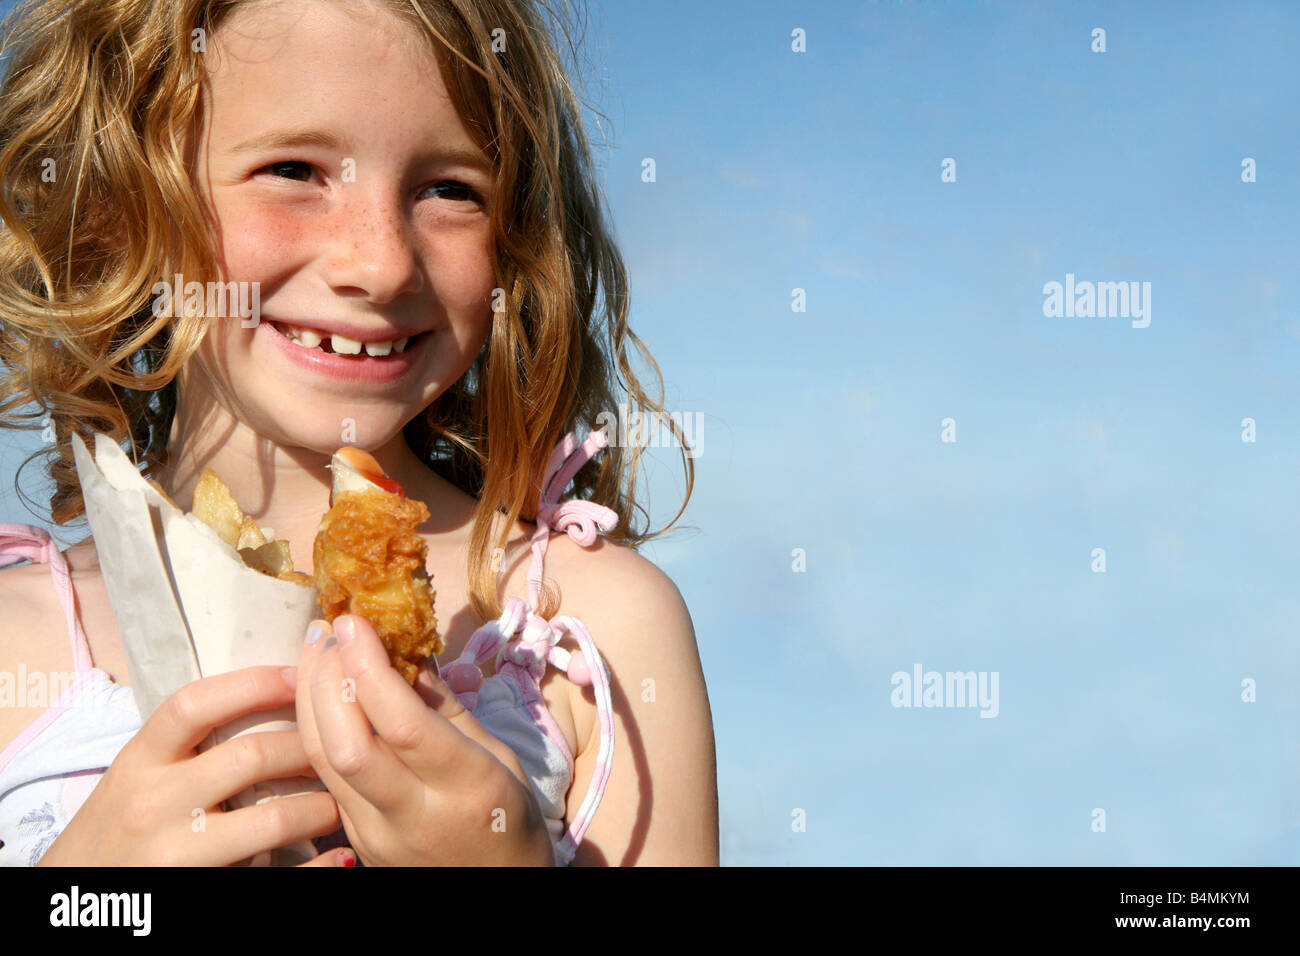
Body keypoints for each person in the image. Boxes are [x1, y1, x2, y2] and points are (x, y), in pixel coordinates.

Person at [0, 0, 717, 866]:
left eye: (451, 190)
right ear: (119, 202)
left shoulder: (593, 625)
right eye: (294, 169)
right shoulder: (19, 637)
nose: (380, 264)